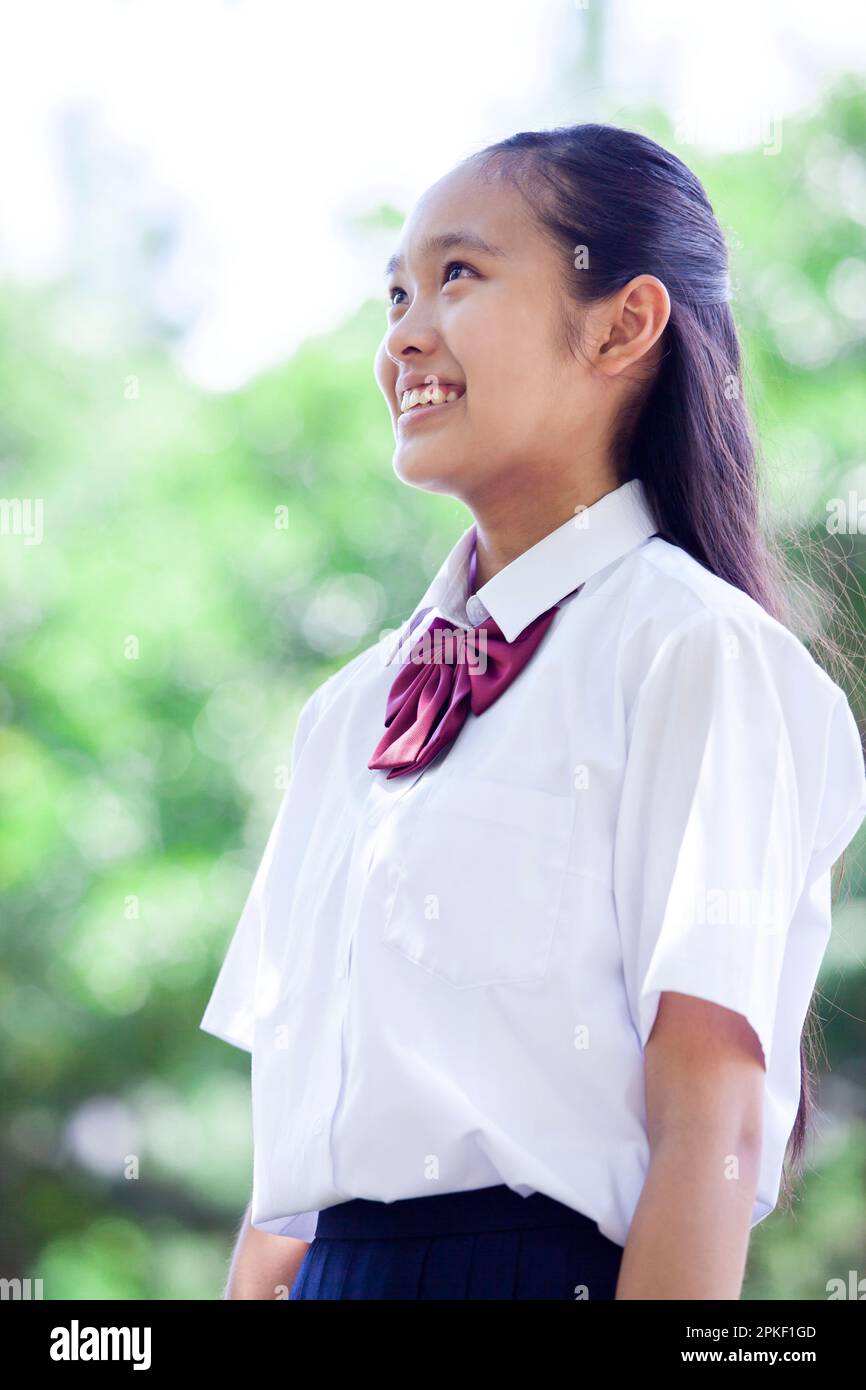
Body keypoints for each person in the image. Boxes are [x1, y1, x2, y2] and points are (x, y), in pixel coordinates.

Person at [199, 123, 866, 1301]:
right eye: (393, 292)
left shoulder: (698, 658)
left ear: (622, 322)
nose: (402, 334)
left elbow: (705, 1121)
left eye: (456, 276)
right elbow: (283, 1188)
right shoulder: (345, 711)